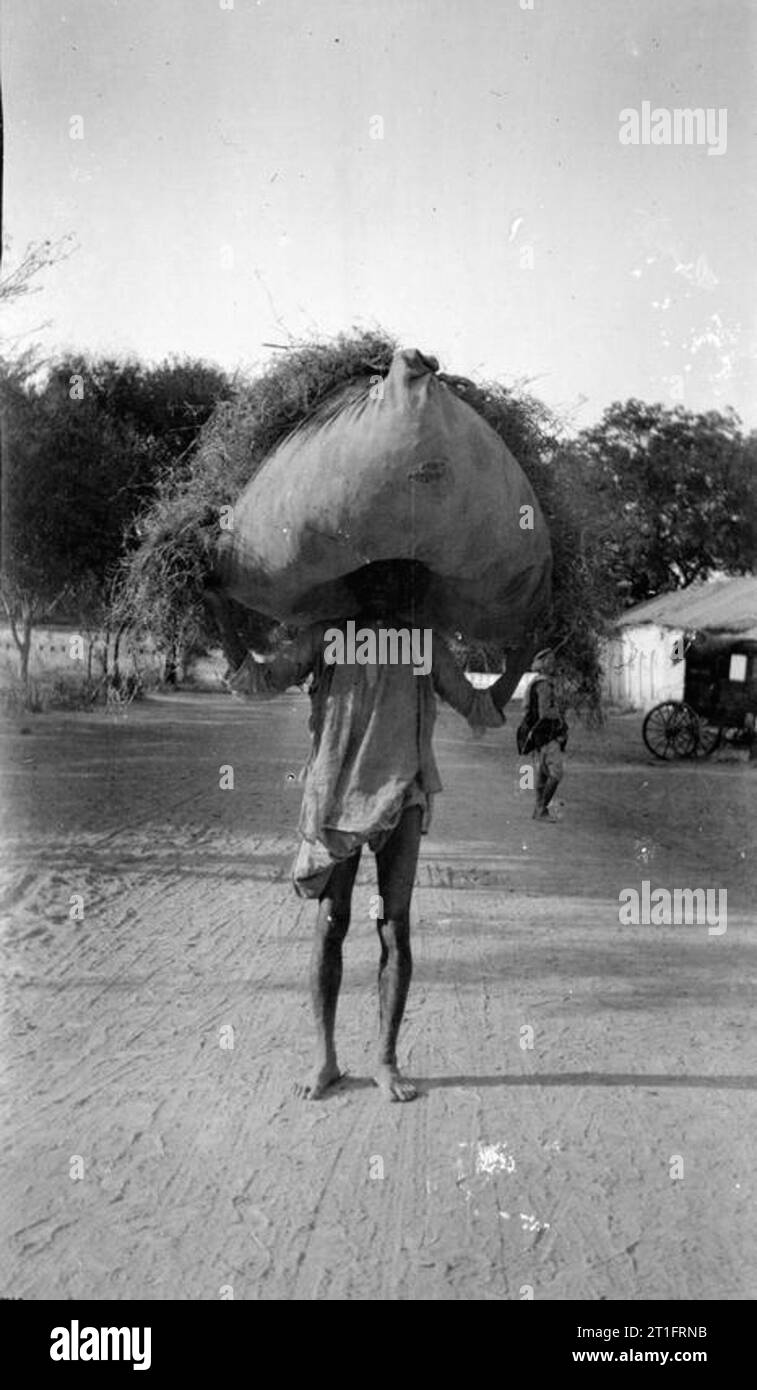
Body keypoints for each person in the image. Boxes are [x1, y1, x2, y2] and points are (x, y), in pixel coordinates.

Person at [219, 560, 530, 1103]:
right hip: (336, 797)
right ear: (356, 585)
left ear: (410, 587)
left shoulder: (422, 646)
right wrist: (221, 610)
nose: (384, 589)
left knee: (394, 929)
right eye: (374, 578)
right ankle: (326, 1059)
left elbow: (478, 705)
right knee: (331, 924)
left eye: (396, 579)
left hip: (402, 796)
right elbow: (261, 678)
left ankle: (385, 1060)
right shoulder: (327, 639)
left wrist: (522, 659)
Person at [523, 648, 568, 821]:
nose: (553, 664)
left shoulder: (537, 682)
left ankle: (538, 810)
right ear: (543, 665)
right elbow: (545, 712)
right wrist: (560, 712)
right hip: (547, 733)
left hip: (537, 734)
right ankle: (542, 809)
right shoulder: (544, 685)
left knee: (542, 772)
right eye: (550, 661)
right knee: (556, 773)